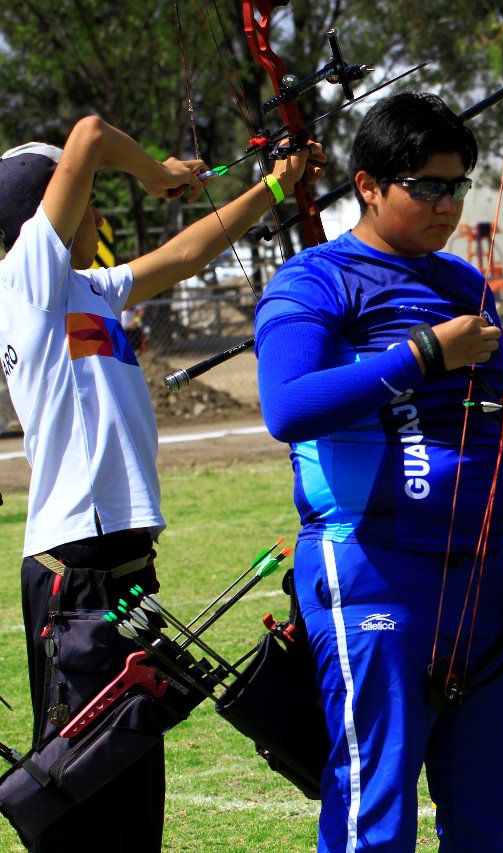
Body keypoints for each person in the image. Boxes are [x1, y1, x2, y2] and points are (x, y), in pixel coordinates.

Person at [253, 92, 503, 852]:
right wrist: (423, 354)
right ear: (368, 185)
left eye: (457, 185)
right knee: (377, 815)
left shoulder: (463, 285)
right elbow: (288, 408)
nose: (446, 204)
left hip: (486, 580)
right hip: (373, 566)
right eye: (425, 186)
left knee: (493, 817)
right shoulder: (314, 281)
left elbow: (488, 411)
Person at [0, 116, 323, 851]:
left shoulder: (86, 290)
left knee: (133, 761)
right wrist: (155, 171)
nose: (103, 217)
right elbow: (88, 133)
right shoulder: (26, 277)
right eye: (89, 201)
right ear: (46, 214)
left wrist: (276, 184)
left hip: (119, 560)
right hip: (74, 569)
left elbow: (188, 250)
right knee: (81, 778)